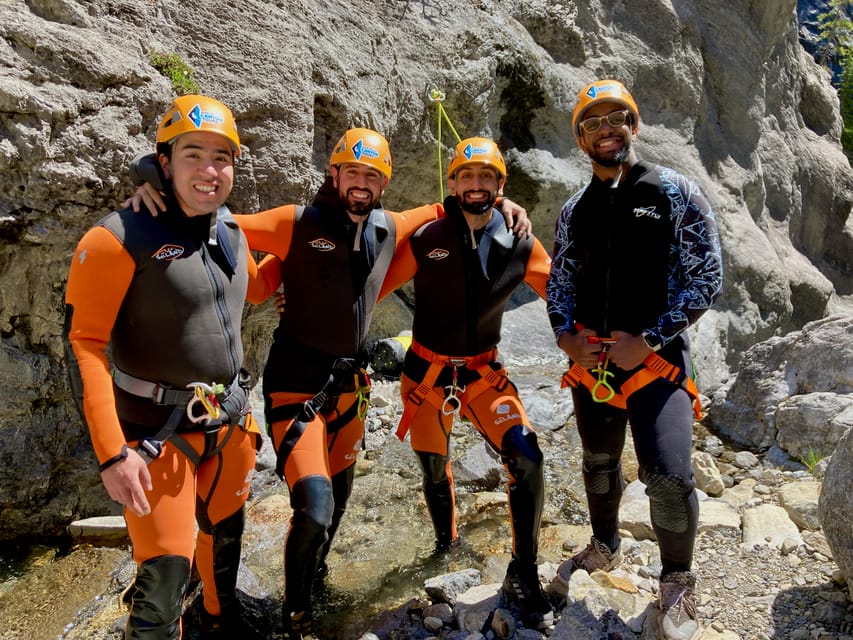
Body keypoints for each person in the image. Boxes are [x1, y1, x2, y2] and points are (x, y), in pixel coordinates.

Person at [130, 127, 530, 639]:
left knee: (336, 505)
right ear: (334, 174)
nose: (362, 183)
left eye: (372, 175)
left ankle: (312, 583)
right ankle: (294, 619)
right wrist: (153, 176)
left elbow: (454, 204)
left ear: (384, 183)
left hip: (349, 392)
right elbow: (214, 213)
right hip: (295, 390)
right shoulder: (296, 222)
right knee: (314, 508)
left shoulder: (389, 226)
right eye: (353, 172)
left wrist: (503, 203)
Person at [63, 95, 264, 639]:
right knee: (163, 577)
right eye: (192, 154)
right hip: (156, 435)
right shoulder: (118, 238)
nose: (209, 170)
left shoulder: (231, 231)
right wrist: (113, 455)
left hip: (229, 424)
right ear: (164, 162)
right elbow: (84, 346)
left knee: (224, 545)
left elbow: (251, 285)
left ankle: (218, 623)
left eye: (221, 157)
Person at [546, 79, 723, 640]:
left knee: (668, 477)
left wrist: (646, 340)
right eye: (593, 123)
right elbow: (560, 282)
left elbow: (706, 278)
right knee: (599, 463)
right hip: (592, 364)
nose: (607, 130)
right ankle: (604, 545)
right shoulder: (575, 209)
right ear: (580, 138)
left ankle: (677, 582)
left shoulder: (674, 191)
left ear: (634, 125)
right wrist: (565, 337)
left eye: (617, 118)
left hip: (656, 362)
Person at [378, 137, 555, 631]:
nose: (476, 185)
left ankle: (523, 572)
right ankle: (447, 547)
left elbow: (564, 296)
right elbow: (373, 289)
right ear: (452, 183)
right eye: (466, 177)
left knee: (528, 457)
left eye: (486, 177)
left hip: (482, 376)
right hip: (425, 377)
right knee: (435, 471)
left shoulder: (521, 242)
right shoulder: (427, 236)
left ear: (500, 185)